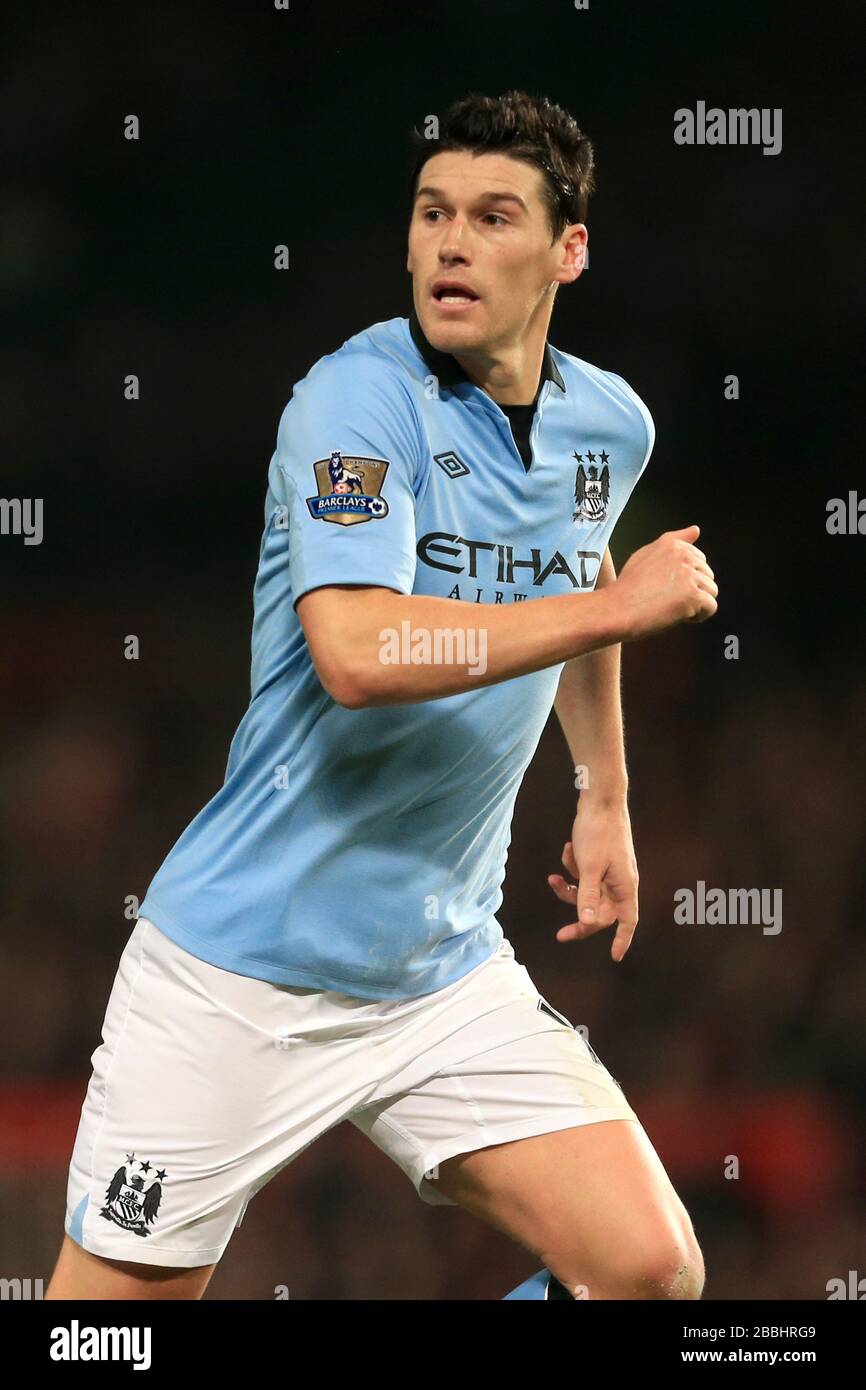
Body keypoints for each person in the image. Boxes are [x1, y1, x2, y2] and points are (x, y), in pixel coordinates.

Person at [47, 89, 717, 1301]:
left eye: (492, 215)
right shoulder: (354, 404)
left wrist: (603, 790)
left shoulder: (607, 424)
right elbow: (355, 652)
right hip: (241, 971)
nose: (450, 243)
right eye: (431, 213)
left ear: (566, 250)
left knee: (644, 1271)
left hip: (439, 971)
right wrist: (614, 609)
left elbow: (580, 576)